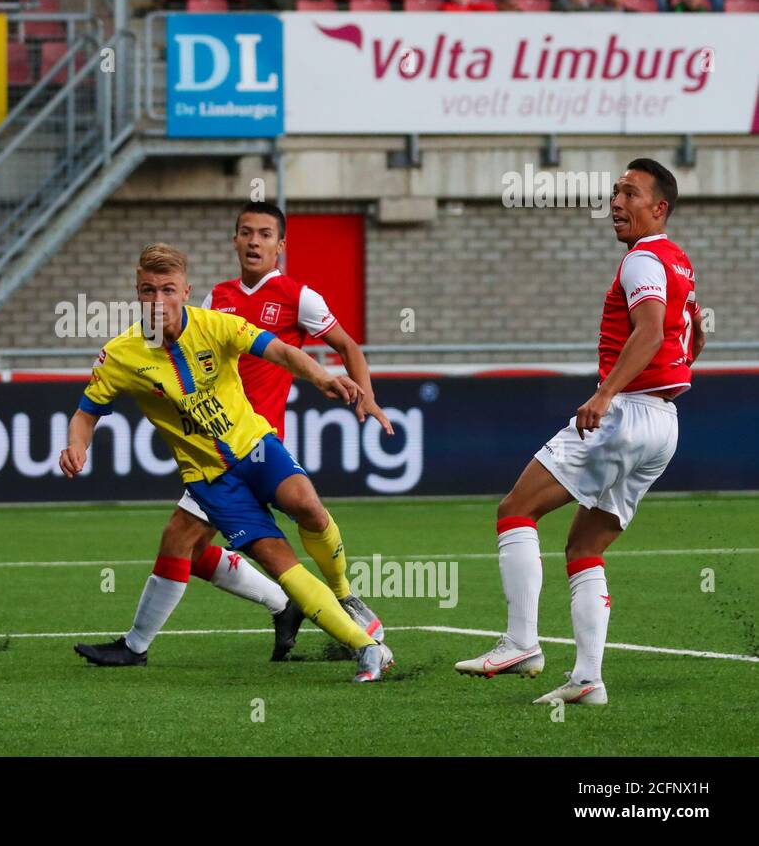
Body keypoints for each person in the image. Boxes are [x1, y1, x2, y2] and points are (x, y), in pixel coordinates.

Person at [60, 244, 397, 683]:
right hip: (211, 481)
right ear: (136, 293)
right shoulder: (122, 354)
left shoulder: (215, 324)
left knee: (308, 506)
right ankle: (367, 648)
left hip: (256, 447)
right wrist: (77, 445)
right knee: (277, 561)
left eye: (168, 290)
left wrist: (322, 378)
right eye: (148, 291)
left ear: (186, 291)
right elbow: (86, 413)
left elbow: (279, 351)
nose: (158, 301)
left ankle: (343, 594)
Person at [456, 159, 703, 706]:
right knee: (585, 546)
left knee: (515, 511)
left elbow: (651, 329)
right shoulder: (679, 261)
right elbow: (690, 337)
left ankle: (521, 641)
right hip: (665, 425)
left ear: (658, 208)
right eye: (615, 191)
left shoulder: (641, 260)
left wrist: (606, 393)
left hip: (627, 415)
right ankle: (588, 679)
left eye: (630, 193)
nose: (616, 201)